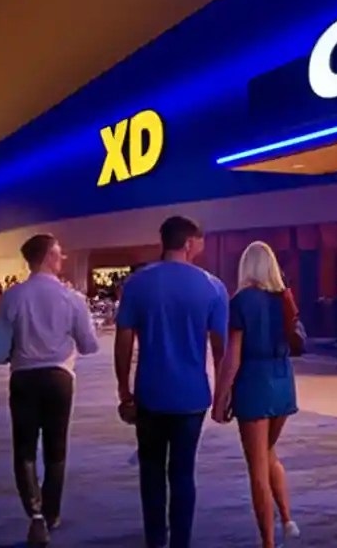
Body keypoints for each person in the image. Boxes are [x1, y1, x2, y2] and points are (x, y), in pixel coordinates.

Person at [115, 216, 228, 548]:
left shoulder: (137, 284)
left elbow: (124, 342)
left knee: (150, 473)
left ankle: (155, 541)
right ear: (189, 243)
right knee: (182, 474)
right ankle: (181, 542)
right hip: (192, 397)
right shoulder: (213, 287)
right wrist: (223, 394)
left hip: (149, 394)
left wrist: (124, 391)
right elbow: (221, 348)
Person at [0, 234, 99, 548]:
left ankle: (35, 514)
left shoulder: (13, 297)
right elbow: (89, 345)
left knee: (23, 448)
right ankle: (52, 514)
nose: (63, 259)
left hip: (23, 378)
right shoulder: (72, 298)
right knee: (56, 447)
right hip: (59, 378)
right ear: (50, 256)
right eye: (60, 254)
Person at [212, 241, 300, 548]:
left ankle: (268, 542)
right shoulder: (283, 299)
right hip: (283, 380)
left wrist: (220, 396)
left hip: (254, 383)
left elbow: (232, 356)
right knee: (269, 451)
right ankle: (287, 519)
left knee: (257, 468)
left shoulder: (241, 302)